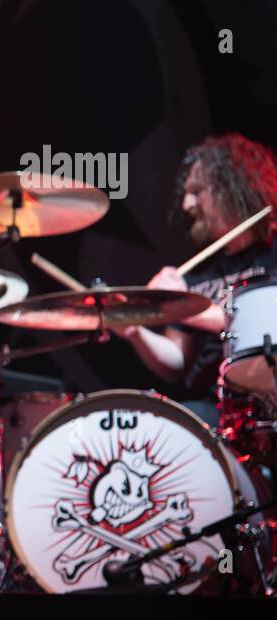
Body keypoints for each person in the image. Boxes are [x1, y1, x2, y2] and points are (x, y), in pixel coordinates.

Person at [116, 134, 277, 422]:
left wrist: (190, 309)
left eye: (197, 191)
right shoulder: (195, 273)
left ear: (231, 188)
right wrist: (135, 334)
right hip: (214, 411)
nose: (187, 204)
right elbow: (176, 363)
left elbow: (269, 331)